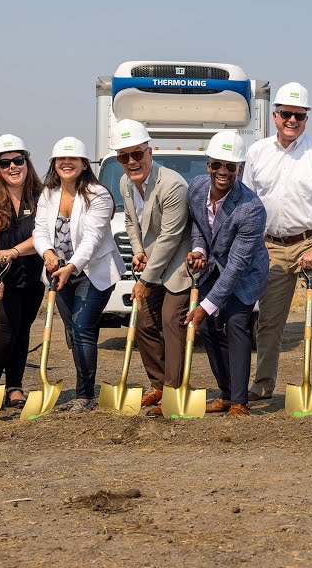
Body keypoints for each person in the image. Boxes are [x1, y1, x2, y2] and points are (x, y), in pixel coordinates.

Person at [242, 83, 312, 409]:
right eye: (286, 114)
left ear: (306, 118)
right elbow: (247, 204)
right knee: (270, 319)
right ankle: (263, 385)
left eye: (299, 115)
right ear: (275, 116)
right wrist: (258, 243)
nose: (292, 120)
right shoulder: (257, 153)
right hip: (269, 246)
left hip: (310, 242)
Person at [33, 137, 124, 412]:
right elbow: (39, 230)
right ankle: (83, 385)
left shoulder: (99, 195)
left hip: (92, 271)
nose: (66, 163)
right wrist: (48, 254)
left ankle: (85, 396)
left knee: (83, 327)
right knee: (73, 330)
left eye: (73, 159)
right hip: (57, 271)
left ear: (84, 164)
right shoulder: (48, 194)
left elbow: (93, 239)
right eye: (61, 159)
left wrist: (70, 267)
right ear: (54, 164)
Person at [185, 131, 269, 417]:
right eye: (217, 165)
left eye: (230, 166)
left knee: (235, 322)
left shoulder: (251, 208)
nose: (223, 172)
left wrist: (206, 307)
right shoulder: (195, 189)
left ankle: (239, 401)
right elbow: (198, 225)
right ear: (208, 165)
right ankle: (225, 391)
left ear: (240, 169)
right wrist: (199, 250)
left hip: (245, 273)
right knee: (207, 328)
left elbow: (236, 267)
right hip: (214, 265)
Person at [111, 119, 191, 414]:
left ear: (149, 151)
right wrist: (138, 250)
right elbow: (132, 221)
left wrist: (144, 279)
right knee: (144, 322)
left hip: (178, 267)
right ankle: (158, 384)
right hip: (153, 264)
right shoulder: (125, 183)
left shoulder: (172, 185)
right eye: (124, 156)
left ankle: (174, 389)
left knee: (171, 320)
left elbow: (170, 238)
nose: (131, 161)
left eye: (137, 154)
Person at [0, 134, 44, 409]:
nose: (12, 167)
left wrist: (16, 251)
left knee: (23, 328)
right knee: (4, 328)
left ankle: (14, 387)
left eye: (18, 160)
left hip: (31, 270)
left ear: (27, 162)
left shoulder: (41, 196)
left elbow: (44, 236)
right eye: (5, 163)